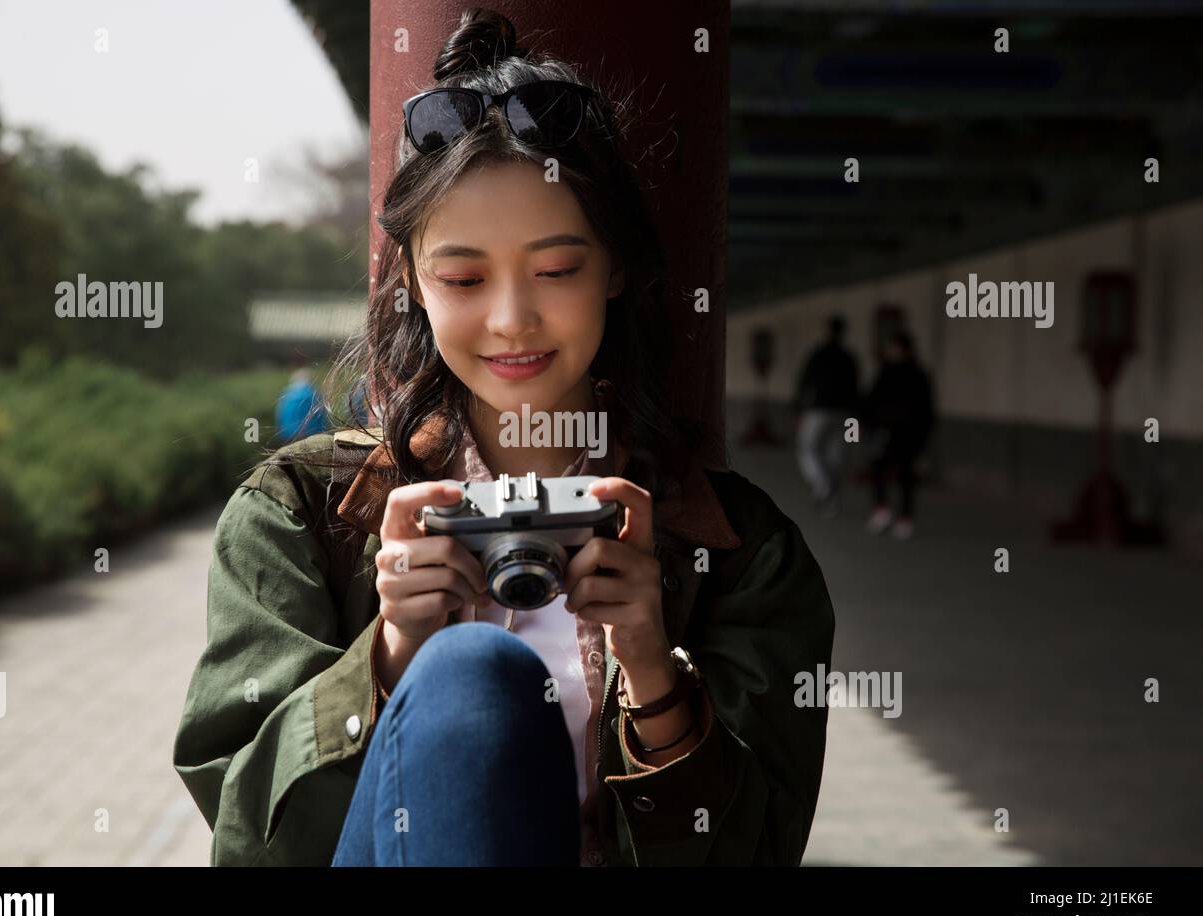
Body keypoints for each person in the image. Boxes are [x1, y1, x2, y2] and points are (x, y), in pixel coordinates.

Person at [172, 7, 835, 867]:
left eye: (558, 269)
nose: (512, 319)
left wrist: (654, 672)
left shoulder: (742, 553)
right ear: (411, 280)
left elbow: (756, 854)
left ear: (617, 268)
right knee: (472, 676)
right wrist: (387, 659)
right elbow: (247, 838)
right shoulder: (301, 517)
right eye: (463, 276)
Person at [861, 331, 936, 540]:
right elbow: (870, 401)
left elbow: (926, 409)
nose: (890, 352)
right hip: (883, 432)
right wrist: (866, 423)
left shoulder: (918, 375)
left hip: (907, 434)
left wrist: (923, 439)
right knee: (877, 469)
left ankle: (905, 517)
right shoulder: (884, 372)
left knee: (906, 476)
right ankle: (881, 509)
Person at [792, 315, 859, 515]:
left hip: (818, 410)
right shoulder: (849, 357)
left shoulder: (818, 354)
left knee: (807, 449)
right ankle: (833, 503)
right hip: (844, 412)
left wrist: (797, 408)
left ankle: (823, 485)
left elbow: (804, 382)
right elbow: (856, 388)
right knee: (835, 457)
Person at [274, 364, 328, 442]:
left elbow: (279, 414)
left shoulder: (286, 393)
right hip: (313, 433)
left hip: (289, 434)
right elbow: (323, 415)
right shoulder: (315, 392)